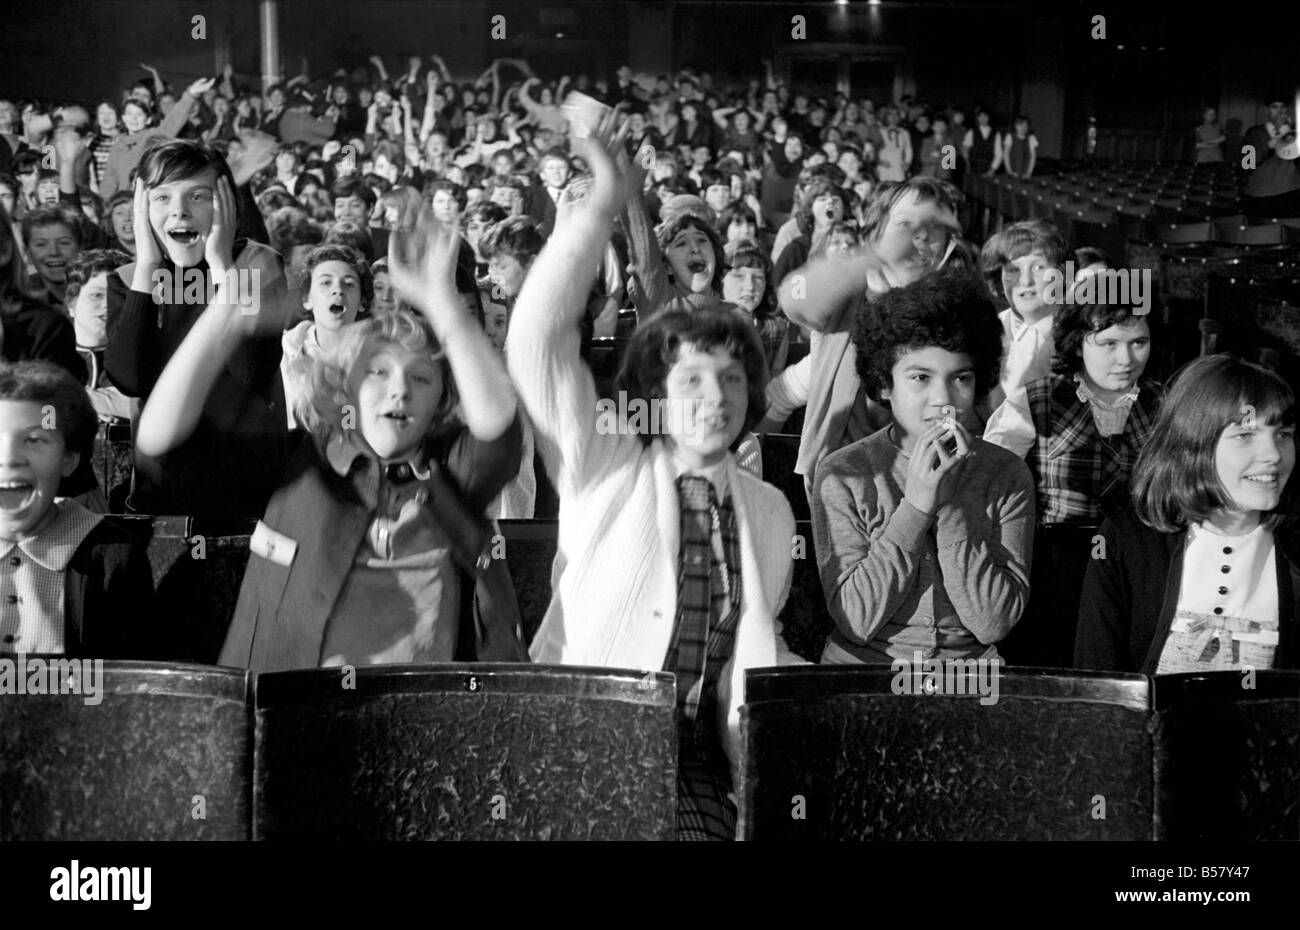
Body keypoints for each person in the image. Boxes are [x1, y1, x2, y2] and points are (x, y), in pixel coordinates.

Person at [507, 126, 800, 841]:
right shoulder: (608, 463)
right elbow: (536, 345)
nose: (716, 395)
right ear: (655, 393)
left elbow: (745, 666)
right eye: (692, 378)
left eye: (732, 378)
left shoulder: (766, 511)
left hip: (697, 762)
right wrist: (598, 204)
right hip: (583, 744)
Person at [136, 199, 527, 673]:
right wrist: (226, 317)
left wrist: (442, 302)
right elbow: (160, 449)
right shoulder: (296, 467)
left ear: (442, 402)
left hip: (422, 723)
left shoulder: (453, 470)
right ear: (344, 389)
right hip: (290, 722)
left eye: (421, 378)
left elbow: (498, 429)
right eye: (377, 372)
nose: (399, 389)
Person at [814, 273, 1033, 666]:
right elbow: (856, 620)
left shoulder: (1006, 476)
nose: (942, 399)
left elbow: (992, 623)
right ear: (884, 384)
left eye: (960, 378)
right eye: (920, 378)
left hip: (966, 675)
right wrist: (915, 507)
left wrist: (949, 506)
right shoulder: (844, 474)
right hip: (866, 670)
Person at [105, 139, 291, 521]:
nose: (180, 212)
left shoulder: (255, 265)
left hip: (248, 497)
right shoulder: (129, 279)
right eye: (162, 199)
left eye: (198, 196)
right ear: (143, 207)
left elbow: (252, 370)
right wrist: (146, 268)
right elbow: (129, 379)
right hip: (163, 495)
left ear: (226, 203)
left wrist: (222, 266)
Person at [1076, 355, 1298, 673]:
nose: (1273, 454)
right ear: (1194, 445)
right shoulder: (1126, 541)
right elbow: (1096, 684)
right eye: (1245, 436)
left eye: (1283, 434)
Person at [984, 293, 1161, 667]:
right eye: (1109, 343)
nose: (1125, 359)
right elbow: (990, 483)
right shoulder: (1035, 400)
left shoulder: (1166, 404)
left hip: (1135, 563)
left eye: (1138, 343)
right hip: (1058, 563)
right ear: (1079, 342)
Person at [777, 177, 964, 497]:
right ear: (877, 230)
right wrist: (873, 256)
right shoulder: (847, 291)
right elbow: (795, 299)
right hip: (842, 469)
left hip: (926, 473)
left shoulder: (956, 308)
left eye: (933, 226)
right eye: (905, 223)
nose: (919, 236)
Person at [0, 361, 158, 658]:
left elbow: (131, 687)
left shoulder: (113, 560)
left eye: (34, 439)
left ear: (69, 460)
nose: (8, 458)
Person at [281, 244, 372, 428]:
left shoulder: (376, 358)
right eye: (325, 282)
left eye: (348, 283)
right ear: (307, 299)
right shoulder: (284, 353)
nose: (338, 290)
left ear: (362, 301)